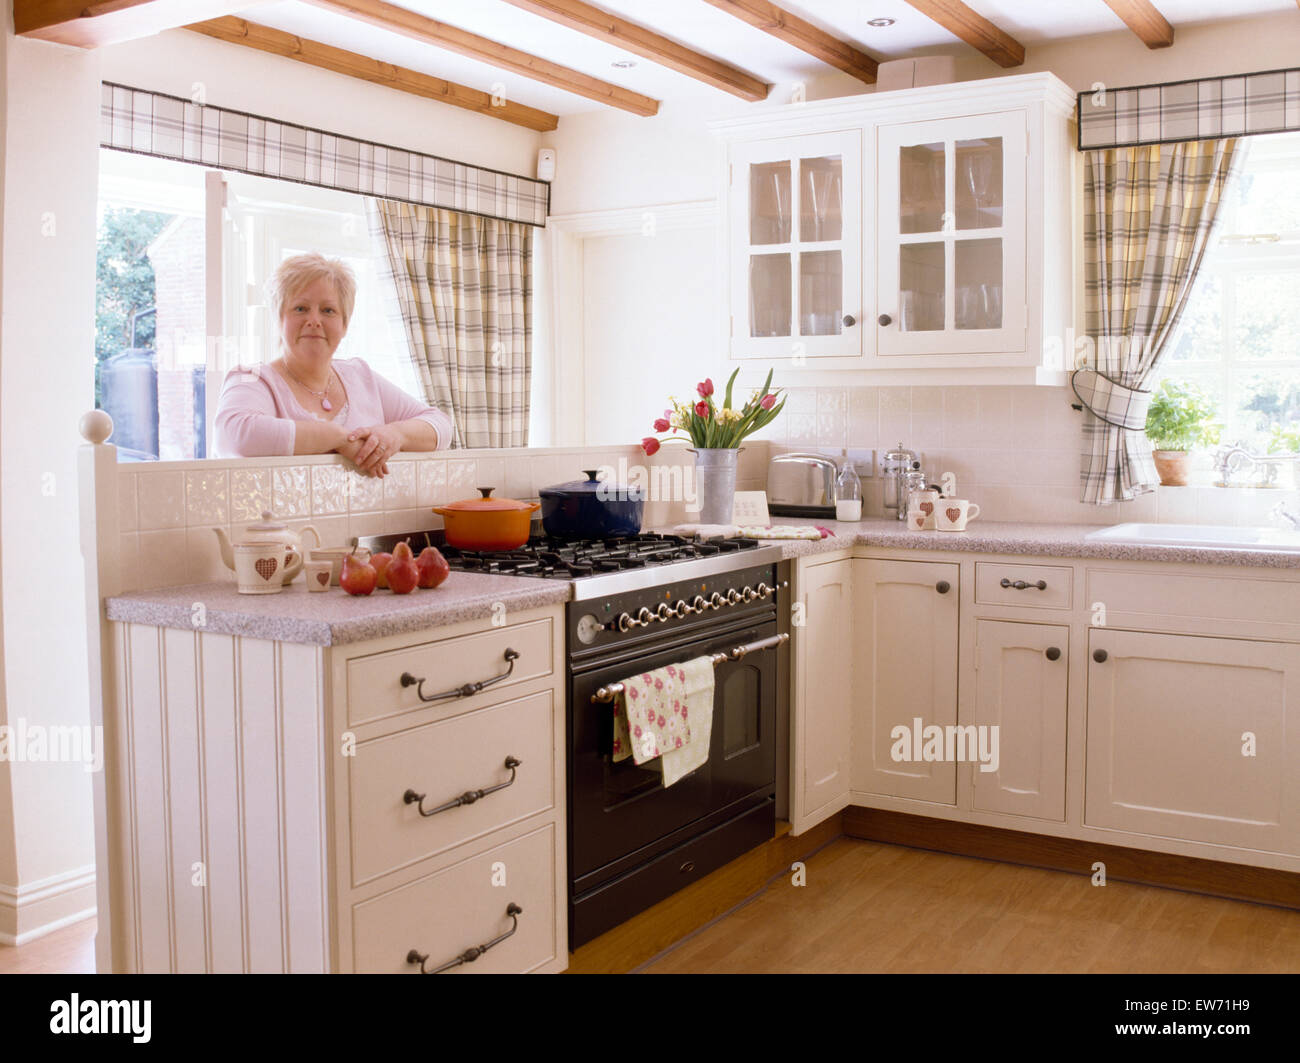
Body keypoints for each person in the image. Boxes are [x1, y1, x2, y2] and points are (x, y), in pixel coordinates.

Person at [213, 252, 452, 475]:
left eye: (328, 310)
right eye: (300, 308)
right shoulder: (250, 377)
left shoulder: (361, 375)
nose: (314, 320)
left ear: (344, 324)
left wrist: (396, 434)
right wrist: (337, 438)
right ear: (279, 318)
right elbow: (235, 436)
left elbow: (441, 426)